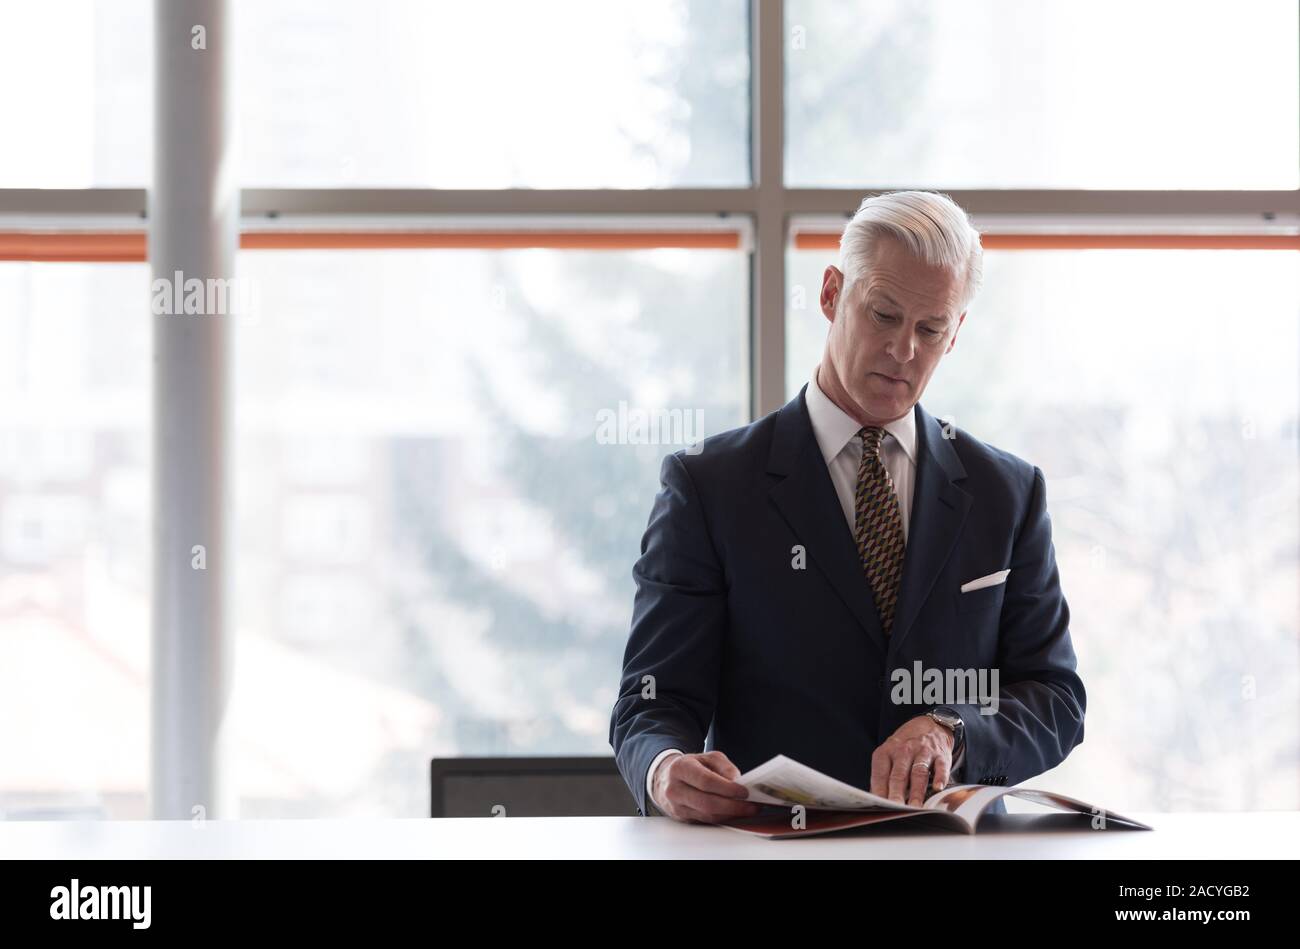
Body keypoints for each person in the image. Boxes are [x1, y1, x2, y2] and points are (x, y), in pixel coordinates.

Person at [609, 190, 1086, 823]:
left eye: (930, 329)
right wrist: (665, 770)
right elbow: (653, 702)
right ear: (832, 294)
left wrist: (952, 729)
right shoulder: (711, 487)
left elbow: (1055, 698)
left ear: (957, 332)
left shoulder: (1009, 493)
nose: (904, 351)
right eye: (884, 315)